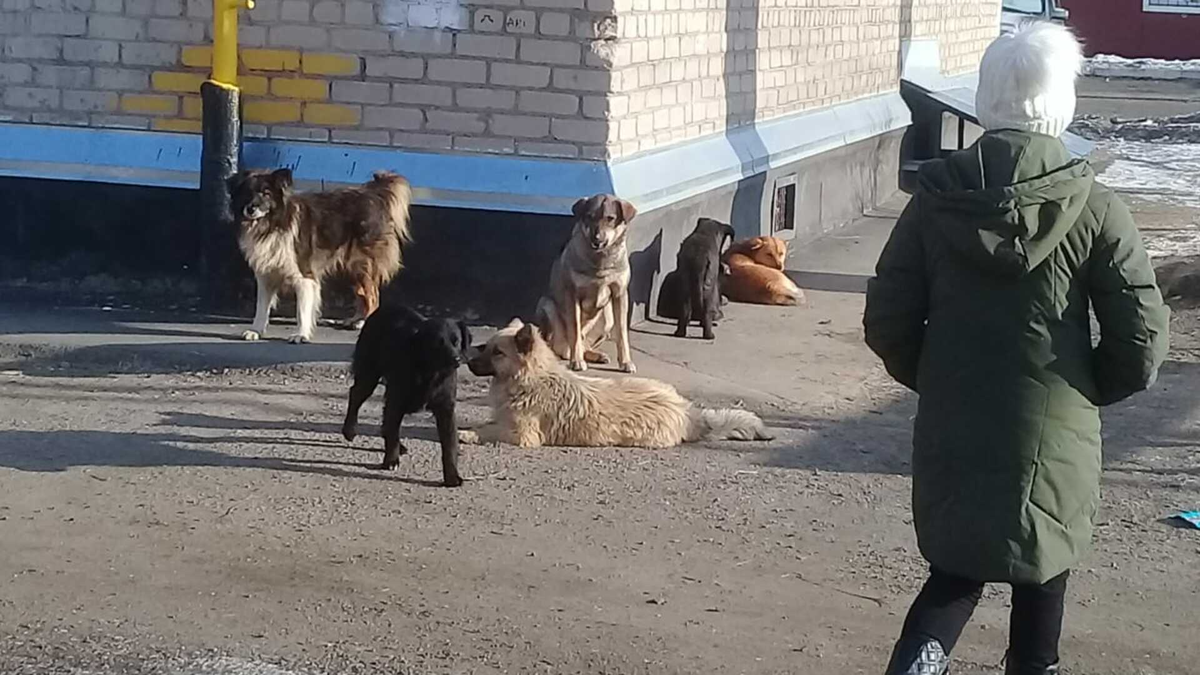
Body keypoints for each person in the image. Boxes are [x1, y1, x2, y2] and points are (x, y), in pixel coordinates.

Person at [863, 21, 1170, 675]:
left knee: (953, 574)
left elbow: (888, 319)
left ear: (986, 99)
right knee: (1043, 572)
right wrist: (1086, 387)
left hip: (955, 425)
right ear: (1061, 100)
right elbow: (1141, 337)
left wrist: (942, 378)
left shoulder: (933, 200)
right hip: (1054, 433)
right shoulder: (1093, 206)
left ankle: (915, 667)